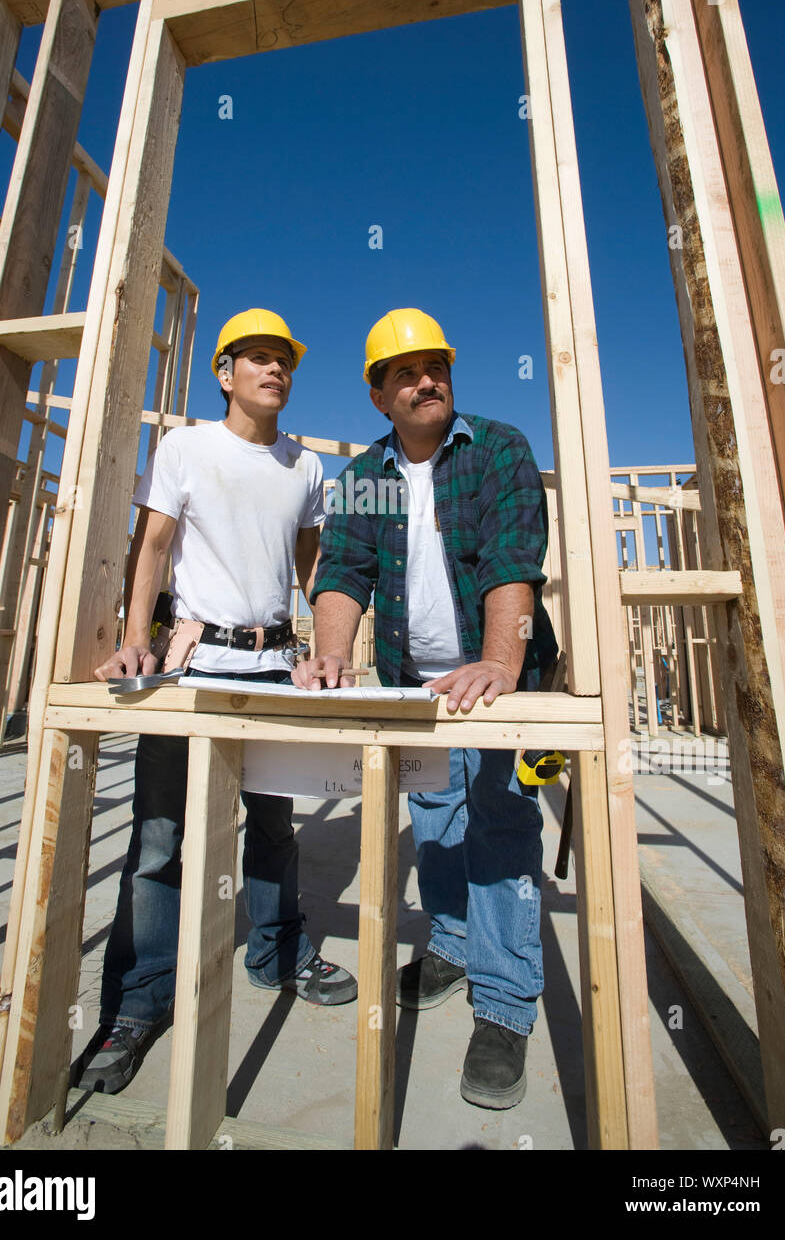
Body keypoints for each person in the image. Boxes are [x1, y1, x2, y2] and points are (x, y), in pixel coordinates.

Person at [73, 308, 357, 1095]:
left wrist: (330, 652)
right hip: (197, 660)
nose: (274, 369)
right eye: (257, 358)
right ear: (225, 374)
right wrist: (138, 639)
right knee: (163, 836)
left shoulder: (305, 467)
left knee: (273, 823)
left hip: (273, 665)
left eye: (284, 360)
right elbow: (154, 546)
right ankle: (137, 1004)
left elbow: (311, 567)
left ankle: (278, 952)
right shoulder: (185, 447)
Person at [294, 309, 557, 1110]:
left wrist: (500, 665)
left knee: (503, 823)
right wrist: (333, 653)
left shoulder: (498, 447)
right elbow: (343, 568)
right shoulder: (364, 477)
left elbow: (514, 559)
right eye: (405, 373)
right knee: (436, 816)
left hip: (503, 673)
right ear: (378, 397)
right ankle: (450, 943)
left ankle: (506, 1005)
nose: (426, 380)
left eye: (435, 365)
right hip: (417, 681)